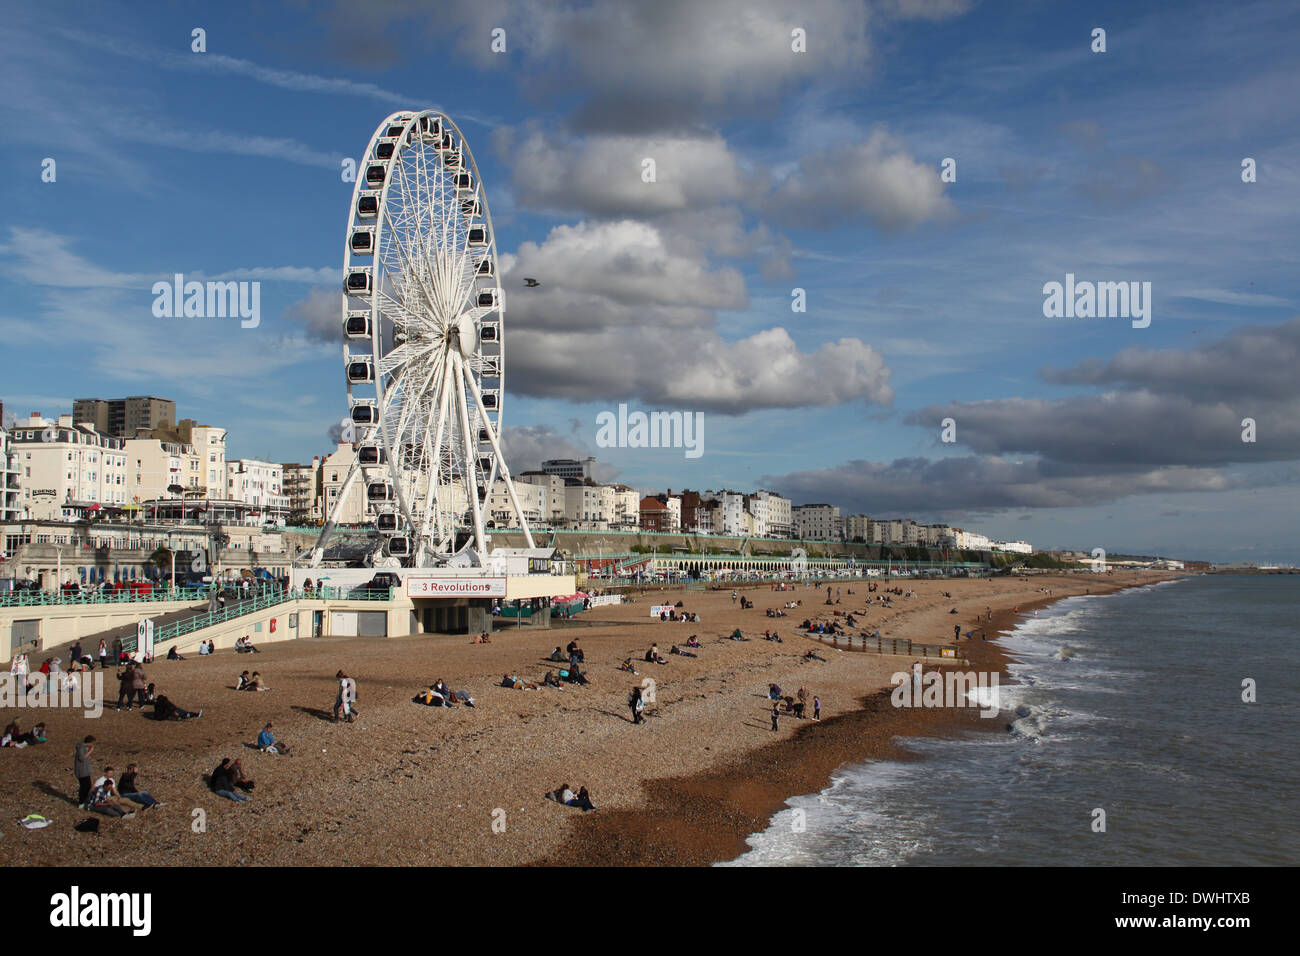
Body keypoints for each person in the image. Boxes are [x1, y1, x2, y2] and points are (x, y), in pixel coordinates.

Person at [75, 736, 96, 809]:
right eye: (92, 743)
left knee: (88, 786)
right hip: (82, 771)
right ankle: (81, 802)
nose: (93, 745)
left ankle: (85, 802)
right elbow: (81, 758)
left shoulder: (84, 748)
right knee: (84, 787)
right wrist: (90, 751)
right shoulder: (80, 747)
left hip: (86, 771)